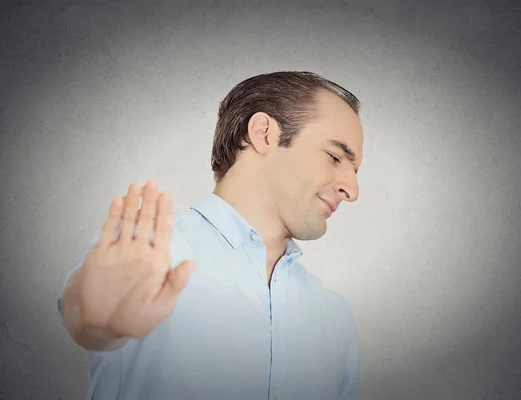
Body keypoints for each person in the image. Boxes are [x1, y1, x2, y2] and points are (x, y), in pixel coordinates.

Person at [57, 71, 364, 400]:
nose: (353, 190)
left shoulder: (334, 319)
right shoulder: (150, 250)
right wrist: (101, 320)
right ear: (263, 134)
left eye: (354, 170)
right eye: (334, 157)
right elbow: (87, 316)